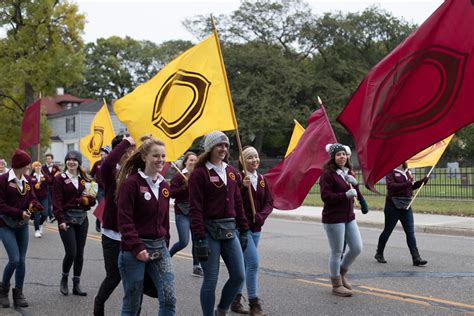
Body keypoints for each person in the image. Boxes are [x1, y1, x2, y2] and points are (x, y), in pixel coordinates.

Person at [188, 130, 249, 316]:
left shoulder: (231, 172)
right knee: (211, 280)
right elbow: (195, 209)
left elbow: (238, 202)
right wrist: (199, 239)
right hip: (208, 231)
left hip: (230, 229)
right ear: (210, 148)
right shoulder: (199, 174)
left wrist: (244, 229)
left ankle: (221, 310)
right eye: (219, 145)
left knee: (239, 276)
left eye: (225, 145)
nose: (223, 148)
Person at [117, 135, 176, 316]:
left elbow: (165, 219)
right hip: (134, 251)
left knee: (169, 298)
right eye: (156, 156)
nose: (160, 160)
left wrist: (165, 241)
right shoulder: (131, 184)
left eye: (163, 156)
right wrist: (136, 246)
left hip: (160, 249)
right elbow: (124, 219)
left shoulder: (164, 185)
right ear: (144, 157)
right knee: (133, 303)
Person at [93, 135, 135, 316]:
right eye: (125, 150)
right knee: (114, 276)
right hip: (112, 235)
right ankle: (99, 303)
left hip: (132, 235)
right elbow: (109, 162)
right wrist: (126, 142)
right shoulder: (110, 173)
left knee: (134, 279)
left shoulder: (137, 173)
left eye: (131, 150)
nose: (129, 153)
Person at [319, 143, 367, 297]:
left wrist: (356, 187)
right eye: (338, 154)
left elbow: (355, 191)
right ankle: (336, 284)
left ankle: (340, 273)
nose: (342, 157)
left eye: (344, 154)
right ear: (333, 157)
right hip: (333, 218)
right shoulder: (328, 174)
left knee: (357, 248)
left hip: (349, 217)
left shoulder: (348, 172)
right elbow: (326, 197)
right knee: (337, 251)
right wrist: (344, 195)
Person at [231, 146, 273, 316]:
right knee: (253, 263)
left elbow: (269, 202)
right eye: (249, 157)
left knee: (245, 265)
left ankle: (235, 300)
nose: (254, 160)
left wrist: (261, 216)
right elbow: (232, 202)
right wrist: (241, 187)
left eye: (256, 157)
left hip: (257, 229)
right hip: (242, 229)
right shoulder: (238, 178)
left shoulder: (262, 179)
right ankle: (254, 305)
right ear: (242, 161)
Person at [0, 149, 43, 308]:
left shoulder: (27, 180)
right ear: (20, 165)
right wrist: (20, 213)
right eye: (27, 163)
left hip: (22, 225)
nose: (29, 165)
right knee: (14, 259)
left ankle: (18, 292)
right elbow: (1, 205)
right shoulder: (3, 180)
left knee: (22, 261)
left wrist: (35, 205)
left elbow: (32, 197)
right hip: (5, 224)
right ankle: (3, 289)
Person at [53, 151, 96, 297]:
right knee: (71, 252)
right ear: (65, 162)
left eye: (74, 160)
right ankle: (64, 278)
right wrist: (60, 220)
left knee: (80, 253)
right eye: (69, 160)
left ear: (79, 162)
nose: (71, 162)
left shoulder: (85, 179)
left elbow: (92, 200)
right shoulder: (60, 179)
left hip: (82, 218)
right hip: (66, 218)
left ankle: (76, 284)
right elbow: (57, 202)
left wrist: (85, 201)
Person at [374, 162, 429, 266]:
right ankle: (379, 253)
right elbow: (391, 186)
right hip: (392, 206)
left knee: (410, 232)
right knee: (388, 230)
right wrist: (408, 183)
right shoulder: (391, 171)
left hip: (406, 206)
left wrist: (422, 181)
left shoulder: (408, 172)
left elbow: (411, 187)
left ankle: (416, 258)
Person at [169, 151, 204, 277]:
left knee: (197, 239)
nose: (193, 162)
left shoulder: (199, 176)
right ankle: (167, 257)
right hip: (182, 213)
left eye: (195, 160)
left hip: (195, 212)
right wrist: (185, 186)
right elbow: (171, 194)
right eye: (191, 160)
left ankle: (196, 266)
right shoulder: (178, 177)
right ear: (185, 162)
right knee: (184, 241)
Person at [29, 161, 51, 238]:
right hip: (35, 199)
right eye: (36, 166)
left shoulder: (44, 175)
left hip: (44, 197)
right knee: (37, 215)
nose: (38, 167)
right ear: (33, 168)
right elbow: (29, 188)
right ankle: (37, 230)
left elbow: (50, 182)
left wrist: (46, 178)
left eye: (39, 166)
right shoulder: (31, 177)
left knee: (45, 214)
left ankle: (41, 224)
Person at [91, 146, 110, 232]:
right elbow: (91, 175)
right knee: (102, 205)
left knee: (106, 207)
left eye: (104, 152)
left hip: (109, 189)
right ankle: (101, 224)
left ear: (108, 153)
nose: (102, 153)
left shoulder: (111, 163)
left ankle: (100, 222)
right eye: (101, 152)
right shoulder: (97, 163)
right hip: (99, 190)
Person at [42, 153, 60, 222]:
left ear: (52, 159)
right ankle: (50, 215)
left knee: (54, 201)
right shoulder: (43, 168)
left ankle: (54, 214)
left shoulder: (56, 167)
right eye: (47, 159)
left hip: (54, 186)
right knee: (48, 201)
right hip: (46, 186)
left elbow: (59, 175)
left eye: (49, 159)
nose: (48, 160)